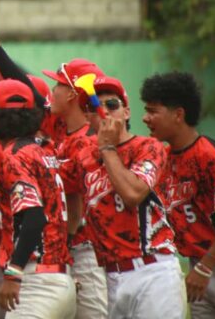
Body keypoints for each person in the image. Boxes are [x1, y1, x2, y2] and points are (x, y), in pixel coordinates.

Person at [66, 75, 186, 319]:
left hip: (153, 271)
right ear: (88, 118)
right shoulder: (83, 157)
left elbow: (133, 194)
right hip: (110, 275)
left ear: (127, 112)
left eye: (112, 105)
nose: (104, 111)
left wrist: (107, 148)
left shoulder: (149, 147)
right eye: (93, 107)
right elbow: (45, 178)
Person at [142, 72, 215, 318]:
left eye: (153, 111)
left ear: (178, 114)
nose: (146, 118)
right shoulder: (162, 159)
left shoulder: (209, 155)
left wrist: (207, 266)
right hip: (197, 267)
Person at [0, 80, 76, 319]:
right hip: (60, 277)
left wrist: (13, 272)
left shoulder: (15, 156)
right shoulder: (43, 150)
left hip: (36, 282)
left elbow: (34, 217)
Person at [42, 59, 109, 319]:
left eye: (58, 84)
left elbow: (75, 197)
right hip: (73, 247)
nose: (52, 89)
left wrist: (67, 242)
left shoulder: (88, 141)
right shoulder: (63, 129)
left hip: (86, 248)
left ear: (72, 93)